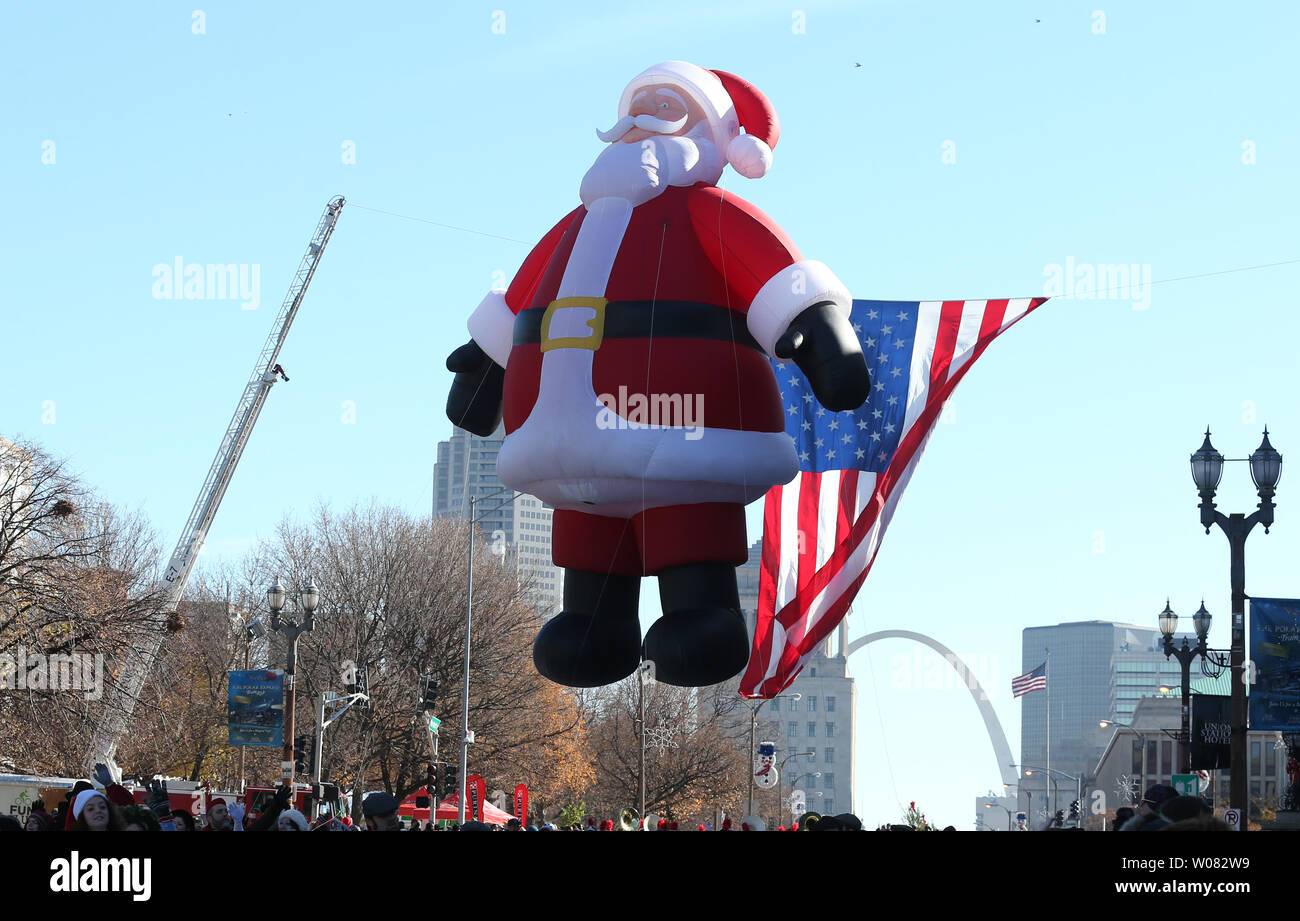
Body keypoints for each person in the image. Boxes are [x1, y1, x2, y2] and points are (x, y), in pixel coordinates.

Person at [446, 61, 870, 690]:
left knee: (684, 515)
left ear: (716, 132)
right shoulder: (575, 226)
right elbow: (521, 298)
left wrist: (822, 335)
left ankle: (703, 616)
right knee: (590, 521)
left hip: (683, 422)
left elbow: (776, 271)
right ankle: (593, 624)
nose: (640, 117)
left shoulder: (707, 213)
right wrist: (483, 366)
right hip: (566, 435)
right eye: (635, 104)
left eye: (665, 103)